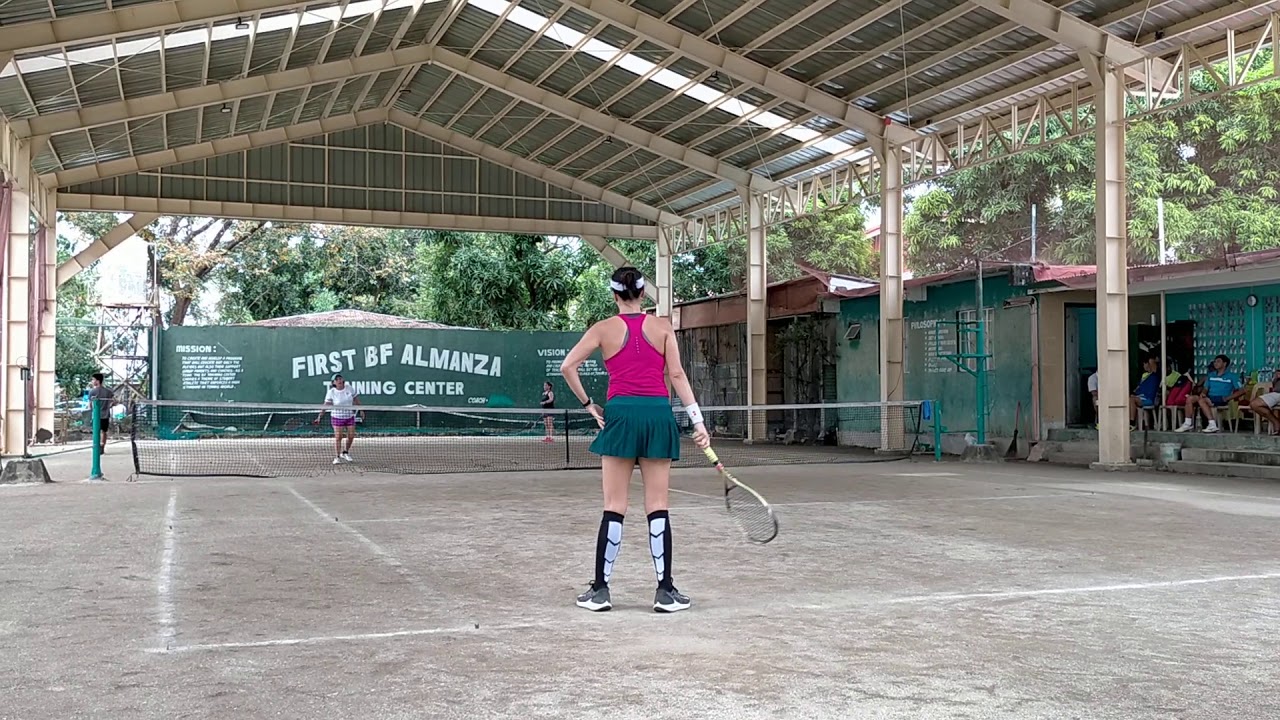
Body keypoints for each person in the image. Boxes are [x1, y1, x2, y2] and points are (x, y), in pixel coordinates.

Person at [560, 267, 710, 614]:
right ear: (643, 294)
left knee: (614, 506)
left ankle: (600, 591)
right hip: (658, 415)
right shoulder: (662, 327)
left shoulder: (602, 329)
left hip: (621, 415)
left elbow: (569, 366)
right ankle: (665, 591)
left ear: (614, 295)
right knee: (658, 505)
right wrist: (697, 421)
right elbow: (676, 374)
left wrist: (589, 405)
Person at [1175, 355, 1246, 433]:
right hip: (1209, 397)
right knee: (1190, 398)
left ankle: (1212, 424)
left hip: (1221, 398)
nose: (1215, 363)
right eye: (1215, 361)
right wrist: (1203, 393)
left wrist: (1227, 398)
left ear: (1225, 364)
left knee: (1202, 401)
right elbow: (1206, 388)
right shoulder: (1211, 375)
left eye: (1218, 361)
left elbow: (1242, 391)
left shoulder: (1232, 376)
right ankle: (1187, 423)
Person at [313, 373, 363, 464]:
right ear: (334, 383)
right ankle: (337, 456)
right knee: (338, 437)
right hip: (337, 417)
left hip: (349, 416)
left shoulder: (349, 388)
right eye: (337, 380)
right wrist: (319, 417)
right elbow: (326, 405)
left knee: (351, 436)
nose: (339, 380)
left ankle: (345, 452)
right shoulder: (331, 392)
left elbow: (356, 400)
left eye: (340, 378)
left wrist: (362, 410)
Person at [1128, 357, 1162, 428]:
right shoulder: (1146, 376)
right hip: (1141, 397)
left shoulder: (1156, 376)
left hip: (1148, 399)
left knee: (1132, 400)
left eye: (1146, 364)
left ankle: (1132, 423)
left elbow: (1152, 361)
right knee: (1128, 398)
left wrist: (1152, 360)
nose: (1144, 365)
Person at [87, 373, 113, 452]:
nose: (92, 381)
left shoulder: (92, 392)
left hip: (96, 415)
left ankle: (97, 446)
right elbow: (113, 401)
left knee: (96, 431)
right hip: (105, 415)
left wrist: (91, 411)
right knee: (104, 431)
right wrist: (108, 406)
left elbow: (90, 405)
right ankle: (102, 445)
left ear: (97, 381)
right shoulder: (108, 392)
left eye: (93, 379)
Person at [1249, 369, 1280, 436]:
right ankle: (1276, 422)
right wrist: (1276, 377)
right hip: (1277, 393)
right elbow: (1274, 386)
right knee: (1254, 404)